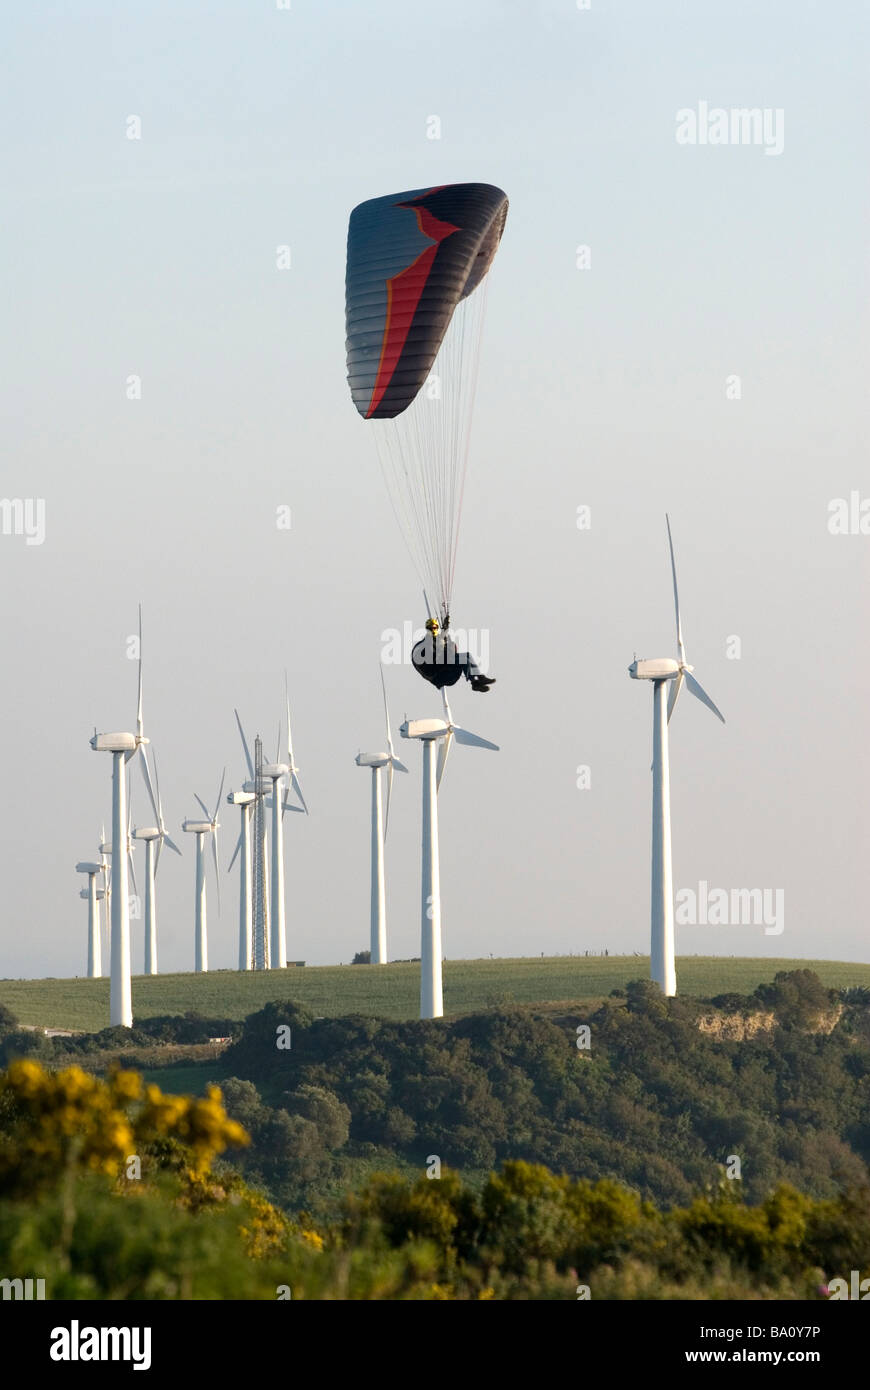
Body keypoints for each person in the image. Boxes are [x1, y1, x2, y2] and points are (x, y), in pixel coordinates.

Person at [411, 617, 496, 692]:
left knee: (467, 655)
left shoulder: (434, 642)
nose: (433, 630)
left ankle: (480, 677)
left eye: (435, 628)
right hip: (439, 678)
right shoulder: (428, 645)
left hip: (442, 670)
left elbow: (440, 641)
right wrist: (449, 648)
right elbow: (438, 660)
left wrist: (445, 628)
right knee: (463, 660)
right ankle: (474, 683)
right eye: (430, 628)